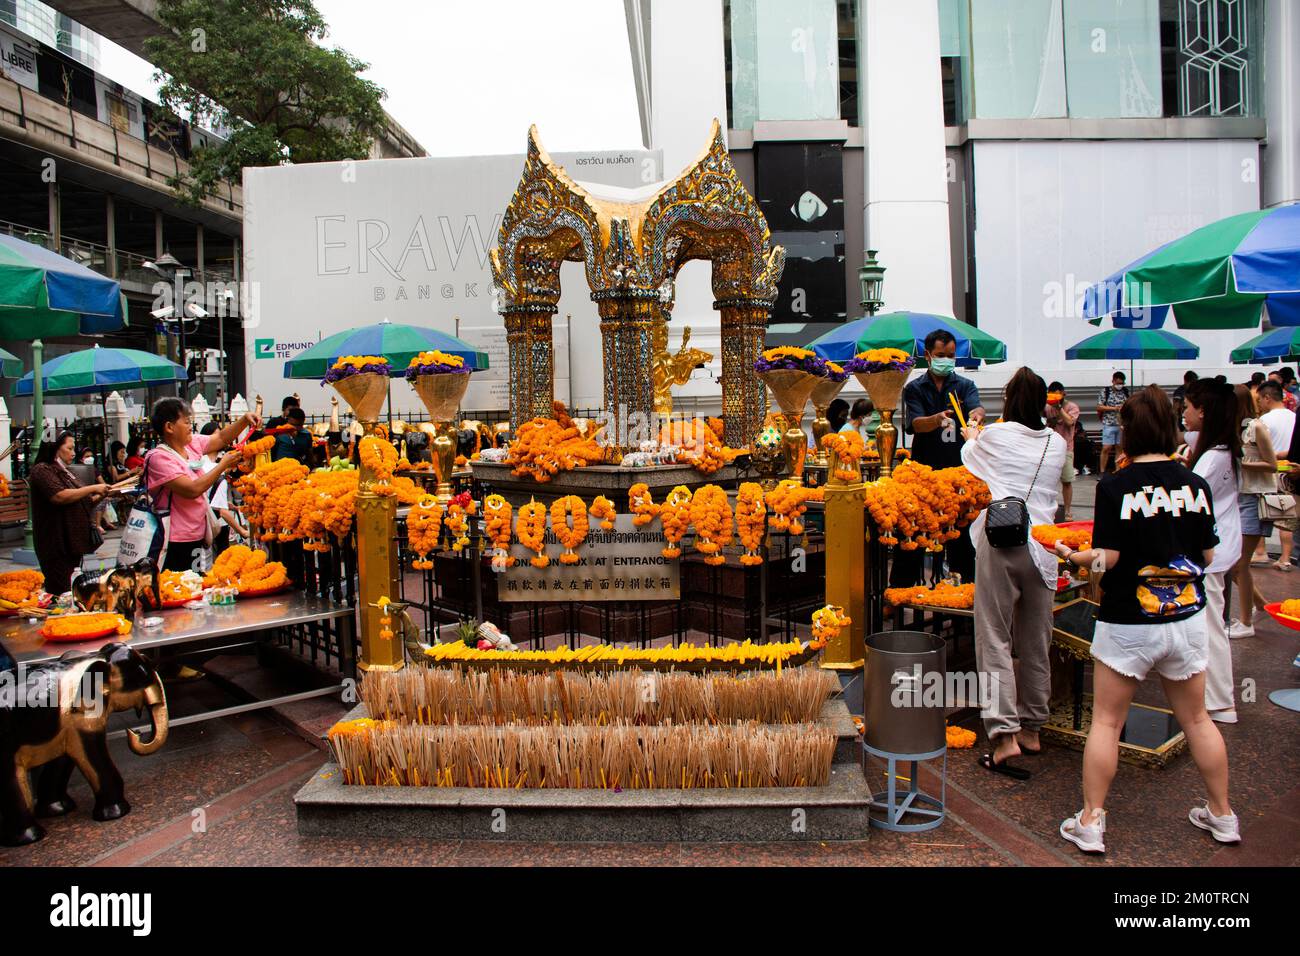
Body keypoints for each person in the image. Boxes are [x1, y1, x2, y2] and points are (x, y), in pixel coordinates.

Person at [1055, 386, 1238, 853]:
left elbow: (1108, 559)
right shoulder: (1193, 483)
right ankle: (1223, 815)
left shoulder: (1115, 486)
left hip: (1127, 621)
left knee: (1107, 724)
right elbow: (1210, 552)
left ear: (1130, 431)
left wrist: (1074, 557)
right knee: (1198, 719)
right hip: (1186, 617)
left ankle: (1092, 821)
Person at [961, 367, 1067, 779]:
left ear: (1007, 400)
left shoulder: (996, 435)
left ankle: (1004, 737)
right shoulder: (1056, 442)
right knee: (1036, 639)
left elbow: (971, 461)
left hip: (1001, 537)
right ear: (1044, 402)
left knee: (994, 637)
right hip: (1043, 543)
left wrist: (972, 435)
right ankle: (1033, 728)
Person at [894, 329, 985, 585]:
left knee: (961, 537)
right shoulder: (914, 388)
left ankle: (966, 590)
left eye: (951, 356)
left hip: (959, 476)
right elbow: (915, 424)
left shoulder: (965, 386)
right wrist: (936, 419)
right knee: (913, 532)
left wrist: (977, 414)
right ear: (928, 355)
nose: (946, 360)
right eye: (940, 355)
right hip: (926, 476)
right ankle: (900, 590)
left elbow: (976, 406)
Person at [1182, 377, 1243, 724]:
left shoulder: (1213, 458)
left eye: (1188, 407)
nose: (1184, 414)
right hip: (1220, 547)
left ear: (1202, 411)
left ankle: (1221, 701)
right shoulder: (1221, 449)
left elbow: (1193, 500)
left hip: (1212, 550)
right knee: (1209, 620)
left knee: (1211, 625)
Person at [145, 398, 262, 574]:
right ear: (169, 427)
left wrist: (244, 419)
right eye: (186, 422)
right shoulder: (158, 458)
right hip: (173, 539)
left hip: (196, 533)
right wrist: (222, 465)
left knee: (193, 583)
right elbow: (192, 489)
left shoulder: (191, 445)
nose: (190, 427)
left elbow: (221, 437)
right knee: (178, 587)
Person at [27, 431, 110, 593]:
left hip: (72, 543)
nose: (73, 453)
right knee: (61, 589)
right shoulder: (42, 470)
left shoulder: (66, 471)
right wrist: (93, 488)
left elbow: (84, 501)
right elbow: (59, 496)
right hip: (55, 542)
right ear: (56, 448)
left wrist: (102, 495)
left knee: (73, 589)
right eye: (69, 448)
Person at [1228, 384, 1277, 638]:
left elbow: (1272, 465)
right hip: (1240, 499)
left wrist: (1244, 464)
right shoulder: (1237, 430)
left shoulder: (1256, 427)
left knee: (1238, 565)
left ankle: (1246, 623)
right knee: (1235, 565)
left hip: (1254, 500)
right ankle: (1260, 605)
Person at [1254, 380, 1295, 571]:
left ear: (1267, 398)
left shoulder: (1265, 421)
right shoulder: (1293, 416)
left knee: (1262, 512)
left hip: (1271, 472)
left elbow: (1259, 449)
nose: (1259, 404)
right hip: (1291, 472)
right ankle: (1286, 558)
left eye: (1260, 400)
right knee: (1287, 517)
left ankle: (1260, 551)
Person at [1045, 381, 1080, 520]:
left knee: (1066, 481)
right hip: (1049, 449)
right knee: (1047, 481)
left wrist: (1059, 408)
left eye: (1057, 394)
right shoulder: (1046, 408)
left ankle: (1067, 510)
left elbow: (1070, 422)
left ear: (1063, 394)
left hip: (1066, 449)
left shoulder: (1072, 407)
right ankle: (1048, 509)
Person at [1096, 370, 1129, 475]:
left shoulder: (1125, 392)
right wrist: (1114, 408)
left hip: (1121, 424)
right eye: (1118, 383)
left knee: (1119, 448)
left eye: (1121, 383)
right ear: (1113, 381)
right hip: (1109, 423)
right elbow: (1099, 406)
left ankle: (1118, 470)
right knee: (1106, 447)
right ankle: (1102, 471)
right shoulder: (1106, 391)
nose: (1120, 385)